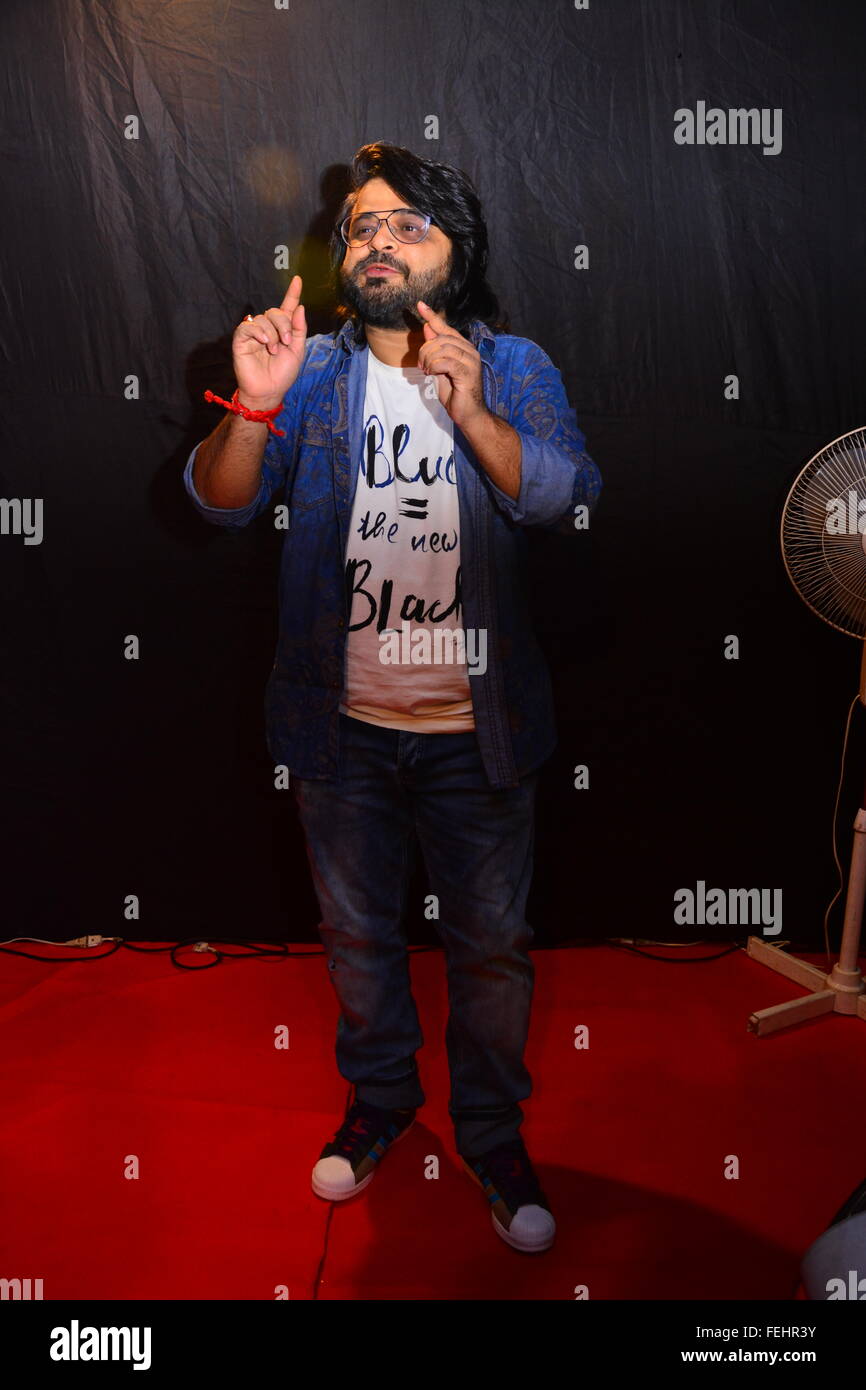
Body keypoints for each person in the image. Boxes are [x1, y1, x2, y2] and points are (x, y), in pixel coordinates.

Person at [184, 141, 602, 1255]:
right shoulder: (311, 372)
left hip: (479, 731)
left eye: (406, 224)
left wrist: (468, 412)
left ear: (453, 255)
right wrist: (252, 408)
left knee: (491, 949)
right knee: (358, 938)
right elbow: (221, 503)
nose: (375, 240)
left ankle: (490, 1131)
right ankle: (379, 1104)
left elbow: (560, 493)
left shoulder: (510, 366)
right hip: (341, 731)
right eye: (361, 225)